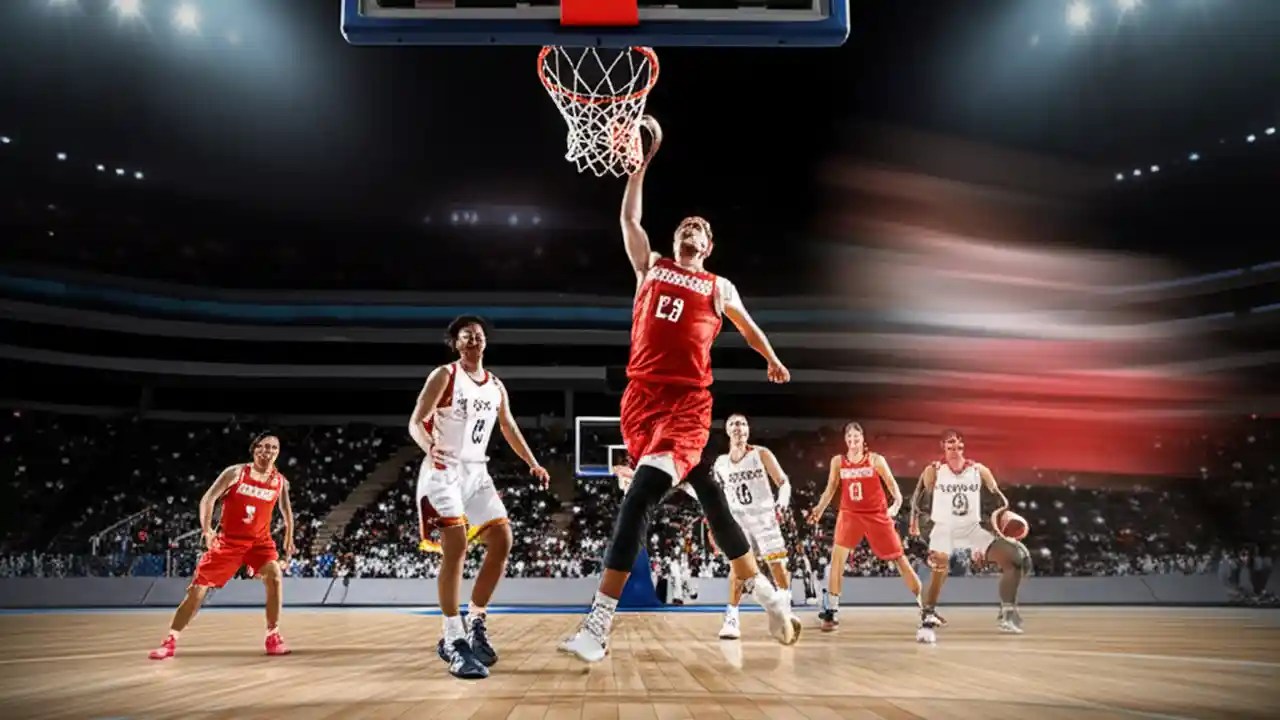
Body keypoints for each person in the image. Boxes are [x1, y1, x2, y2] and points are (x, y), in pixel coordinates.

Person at [560, 115, 799, 663]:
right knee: (712, 498)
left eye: (700, 225)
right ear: (675, 238)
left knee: (640, 496)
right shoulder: (650, 267)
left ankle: (597, 627)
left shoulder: (718, 285)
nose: (690, 226)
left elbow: (746, 324)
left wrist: (772, 358)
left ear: (709, 244)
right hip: (639, 401)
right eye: (684, 223)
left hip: (687, 404)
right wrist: (639, 169)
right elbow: (628, 216)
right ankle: (762, 590)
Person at [409, 315, 550, 679]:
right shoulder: (444, 375)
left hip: (477, 472)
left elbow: (508, 426)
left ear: (485, 342)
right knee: (456, 546)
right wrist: (429, 445)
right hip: (443, 472)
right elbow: (415, 420)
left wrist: (533, 463)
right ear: (455, 343)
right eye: (466, 336)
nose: (473, 341)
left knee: (502, 539)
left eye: (478, 336)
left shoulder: (496, 386)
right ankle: (452, 638)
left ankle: (476, 620)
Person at [148, 432, 295, 659]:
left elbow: (287, 512)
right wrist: (207, 529)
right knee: (198, 591)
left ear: (278, 453)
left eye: (273, 448)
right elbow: (208, 498)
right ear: (254, 449)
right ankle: (170, 640)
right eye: (263, 446)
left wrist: (289, 537)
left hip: (259, 542)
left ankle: (273, 635)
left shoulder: (279, 481)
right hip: (229, 541)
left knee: (274, 575)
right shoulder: (235, 473)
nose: (268, 451)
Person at [908, 429, 1031, 643]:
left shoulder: (979, 470)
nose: (955, 450)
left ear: (963, 447)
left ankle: (1008, 613)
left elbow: (1000, 502)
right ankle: (927, 616)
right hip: (944, 528)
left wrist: (997, 526)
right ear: (943, 448)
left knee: (1015, 558)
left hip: (972, 529)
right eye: (950, 446)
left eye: (958, 446)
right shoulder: (934, 470)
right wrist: (916, 525)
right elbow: (918, 500)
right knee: (941, 564)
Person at [806, 422, 921, 631]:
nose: (852, 441)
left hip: (876, 514)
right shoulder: (838, 462)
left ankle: (926, 606)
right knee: (837, 559)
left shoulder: (876, 460)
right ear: (845, 440)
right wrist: (819, 510)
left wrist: (895, 506)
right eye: (849, 437)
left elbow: (893, 486)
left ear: (862, 439)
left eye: (856, 437)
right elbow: (830, 489)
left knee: (899, 558)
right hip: (850, 514)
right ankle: (832, 611)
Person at [707, 414, 794, 640]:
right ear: (727, 431)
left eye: (743, 423)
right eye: (734, 424)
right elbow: (717, 496)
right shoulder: (720, 463)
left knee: (777, 565)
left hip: (765, 517)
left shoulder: (761, 454)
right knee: (738, 569)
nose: (739, 427)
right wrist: (713, 521)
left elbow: (783, 482)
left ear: (748, 431)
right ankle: (732, 617)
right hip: (739, 520)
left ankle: (785, 610)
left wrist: (782, 503)